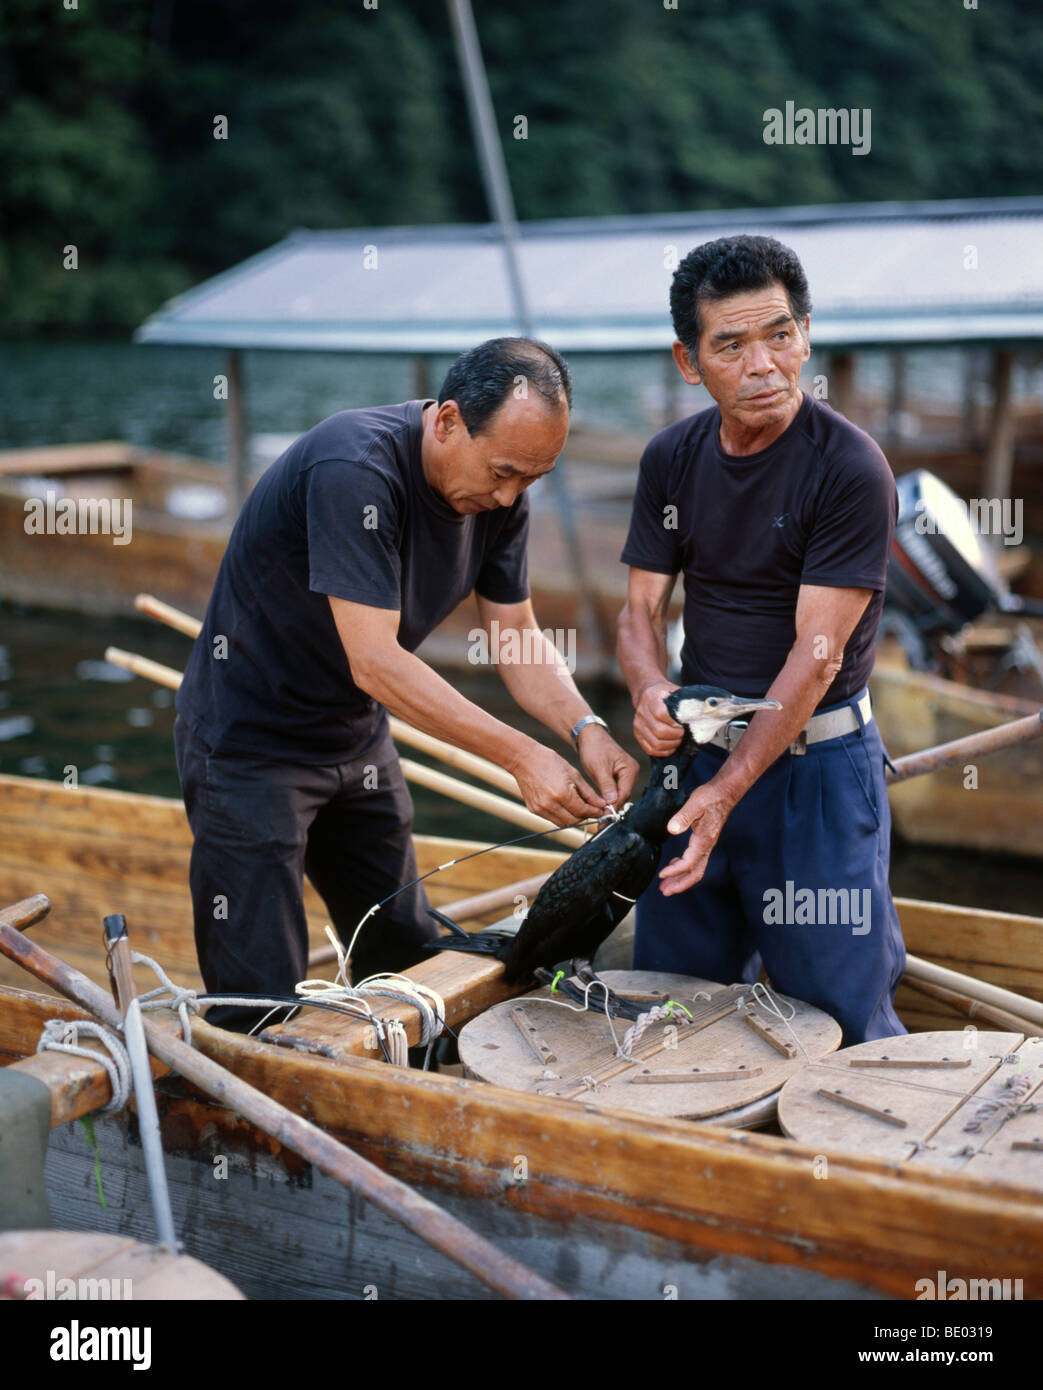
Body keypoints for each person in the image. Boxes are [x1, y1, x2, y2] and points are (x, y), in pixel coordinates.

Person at [174, 337, 638, 1029]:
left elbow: (513, 634)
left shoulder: (502, 493)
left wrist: (584, 728)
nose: (508, 495)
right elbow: (377, 661)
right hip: (250, 745)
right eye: (503, 472)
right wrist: (520, 756)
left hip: (357, 738)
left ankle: (401, 1089)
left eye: (531, 480)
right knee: (259, 997)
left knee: (405, 954)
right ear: (447, 421)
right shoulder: (353, 468)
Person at [617, 235, 905, 1043]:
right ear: (688, 361)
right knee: (672, 1009)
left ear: (805, 335)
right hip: (695, 760)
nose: (763, 365)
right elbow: (638, 612)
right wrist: (645, 690)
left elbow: (816, 660)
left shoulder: (848, 467)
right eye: (731, 345)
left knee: (841, 1018)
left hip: (811, 773)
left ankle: (861, 1166)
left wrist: (730, 789)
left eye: (779, 335)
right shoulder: (671, 458)